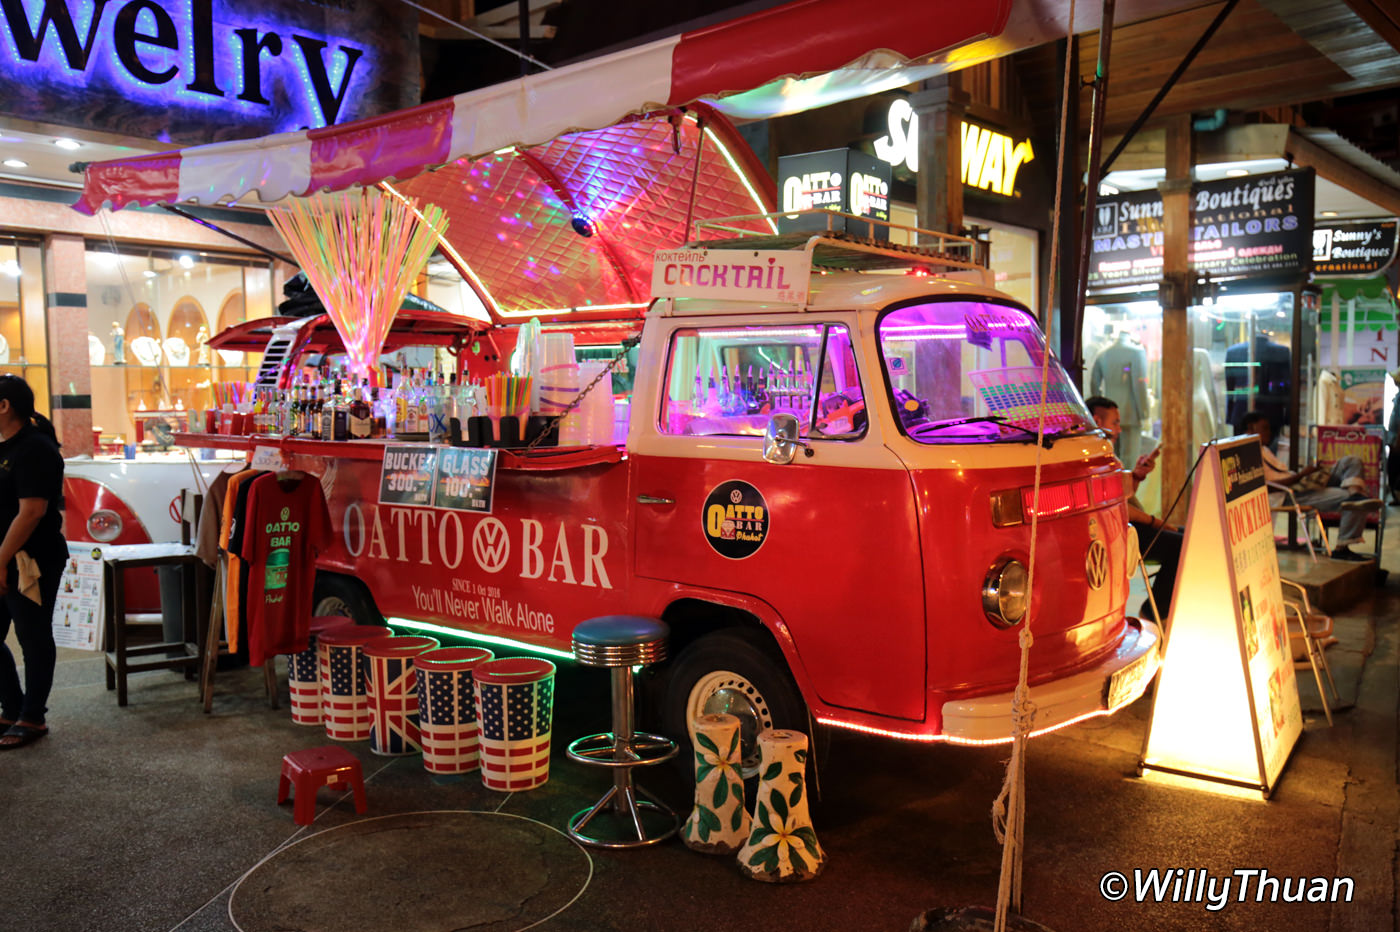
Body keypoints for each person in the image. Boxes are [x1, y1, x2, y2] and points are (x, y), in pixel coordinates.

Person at [0, 375, 67, 750]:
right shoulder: (4, 446)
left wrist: (2, 558)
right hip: (3, 555)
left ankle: (32, 716)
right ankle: (10, 707)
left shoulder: (36, 448)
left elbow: (32, 512)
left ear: (4, 405)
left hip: (31, 560)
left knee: (33, 636)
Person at [1085, 396, 1181, 620]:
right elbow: (1115, 506)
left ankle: (1165, 610)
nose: (1119, 429)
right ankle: (1152, 614)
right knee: (1179, 546)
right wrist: (1155, 522)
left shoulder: (1104, 452)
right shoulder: (1093, 456)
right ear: (1097, 420)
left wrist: (1137, 475)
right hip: (1117, 530)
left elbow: (1122, 494)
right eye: (1115, 422)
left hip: (1128, 523)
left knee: (1186, 537)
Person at [1239, 410, 1380, 561]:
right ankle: (1342, 546)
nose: (1269, 432)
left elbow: (1283, 474)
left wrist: (1308, 474)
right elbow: (1265, 487)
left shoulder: (1264, 449)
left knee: (1352, 461)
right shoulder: (1246, 453)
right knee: (1348, 498)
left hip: (1299, 483)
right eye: (1264, 428)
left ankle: (1356, 493)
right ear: (1251, 427)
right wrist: (1302, 475)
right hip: (1287, 494)